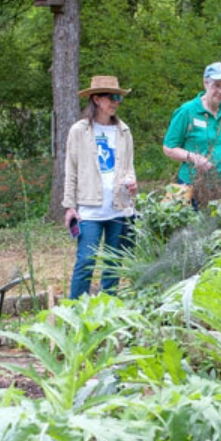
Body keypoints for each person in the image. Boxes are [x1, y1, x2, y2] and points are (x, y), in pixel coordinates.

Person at [62, 76, 138, 300]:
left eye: (118, 98)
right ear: (96, 99)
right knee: (86, 260)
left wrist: (132, 183)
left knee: (114, 262)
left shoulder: (124, 131)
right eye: (111, 97)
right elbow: (71, 169)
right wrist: (69, 206)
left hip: (119, 207)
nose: (115, 102)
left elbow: (129, 167)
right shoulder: (79, 130)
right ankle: (75, 310)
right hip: (90, 208)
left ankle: (108, 309)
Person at [162, 62, 221, 204]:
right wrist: (193, 157)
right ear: (205, 83)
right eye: (217, 85)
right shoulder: (187, 111)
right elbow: (169, 148)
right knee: (194, 225)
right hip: (192, 184)